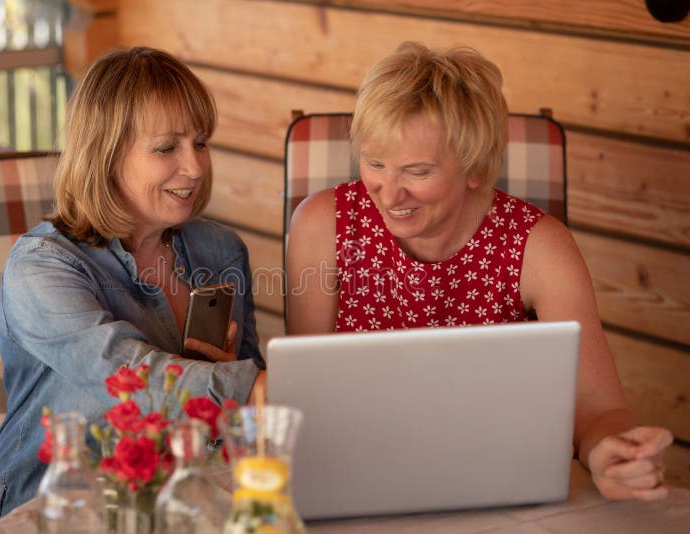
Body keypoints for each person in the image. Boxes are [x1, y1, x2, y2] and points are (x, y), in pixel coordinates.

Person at [286, 42, 673, 502]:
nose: (389, 195)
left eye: (417, 171)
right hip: (354, 481)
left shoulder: (540, 247)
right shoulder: (321, 224)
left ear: (474, 167)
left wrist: (611, 453)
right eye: (375, 164)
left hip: (501, 489)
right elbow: (306, 396)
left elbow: (599, 410)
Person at [0, 47, 266, 529]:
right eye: (166, 147)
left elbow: (245, 414)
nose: (195, 167)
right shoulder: (42, 268)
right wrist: (247, 384)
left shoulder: (221, 251)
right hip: (56, 509)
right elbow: (130, 380)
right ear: (106, 153)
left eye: (200, 142)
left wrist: (241, 393)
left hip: (187, 501)